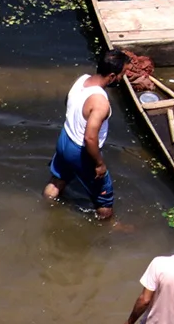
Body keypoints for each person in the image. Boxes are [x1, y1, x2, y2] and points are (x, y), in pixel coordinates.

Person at [46, 50, 130, 221]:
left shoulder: (82, 80)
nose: (123, 79)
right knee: (104, 198)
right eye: (123, 74)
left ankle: (46, 208)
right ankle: (108, 227)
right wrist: (99, 164)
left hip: (65, 138)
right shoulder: (100, 102)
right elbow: (90, 138)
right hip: (81, 151)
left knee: (57, 180)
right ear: (112, 76)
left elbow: (67, 103)